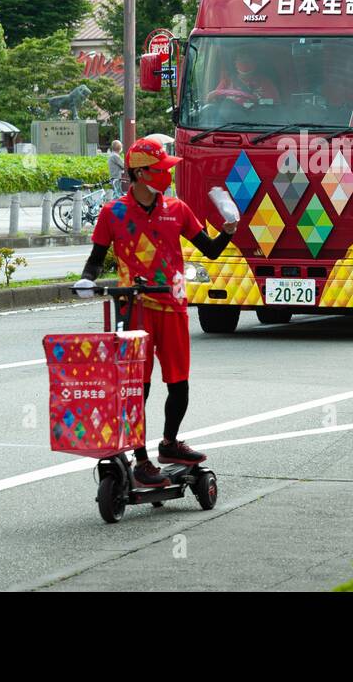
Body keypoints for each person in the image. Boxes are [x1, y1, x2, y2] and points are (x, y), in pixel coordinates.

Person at [75, 137, 238, 489]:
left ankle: (169, 443)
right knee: (138, 388)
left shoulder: (178, 209)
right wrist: (86, 281)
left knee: (178, 382)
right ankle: (141, 459)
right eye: (160, 170)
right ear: (137, 173)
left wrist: (227, 232)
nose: (166, 175)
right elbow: (96, 259)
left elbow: (208, 251)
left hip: (173, 304)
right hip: (134, 308)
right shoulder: (113, 213)